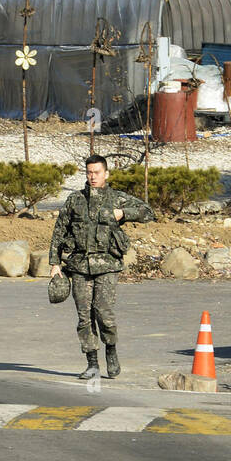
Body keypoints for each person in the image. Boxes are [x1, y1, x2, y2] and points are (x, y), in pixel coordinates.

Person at [49, 154, 155, 379]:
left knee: (104, 313)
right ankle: (92, 363)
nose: (93, 176)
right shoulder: (75, 200)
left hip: (107, 265)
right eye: (89, 172)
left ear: (106, 174)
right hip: (79, 266)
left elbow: (148, 212)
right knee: (84, 317)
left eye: (97, 172)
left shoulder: (116, 198)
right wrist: (55, 263)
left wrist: (124, 213)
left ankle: (111, 351)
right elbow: (59, 230)